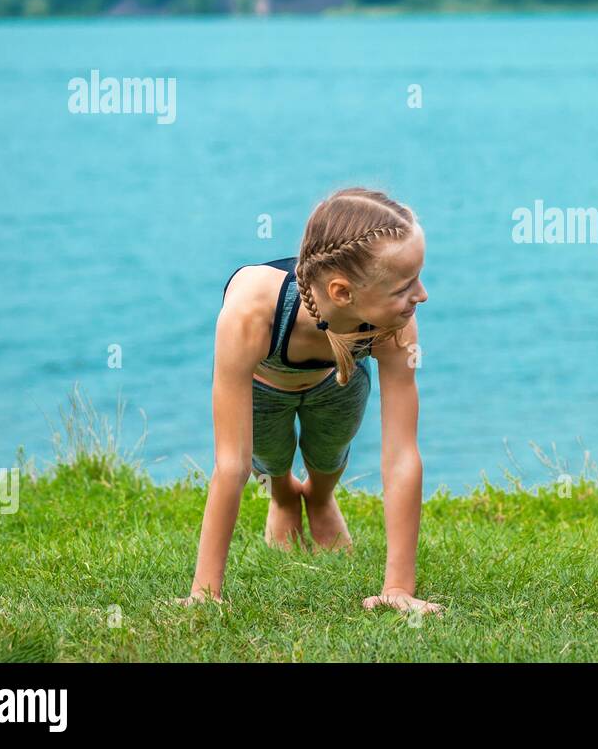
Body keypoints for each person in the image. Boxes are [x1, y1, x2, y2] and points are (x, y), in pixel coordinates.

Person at [179, 186, 441, 615]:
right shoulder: (249, 310)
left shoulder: (396, 325)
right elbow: (231, 463)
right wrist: (203, 594)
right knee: (270, 457)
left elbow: (400, 455)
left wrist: (398, 588)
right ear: (342, 293)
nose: (423, 294)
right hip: (265, 389)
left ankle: (319, 497)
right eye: (405, 285)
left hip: (338, 381)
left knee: (329, 450)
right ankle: (283, 497)